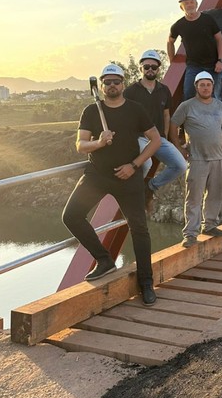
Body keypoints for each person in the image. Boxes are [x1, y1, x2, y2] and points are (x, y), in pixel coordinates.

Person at [62, 64, 162, 306]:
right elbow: (80, 145)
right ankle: (104, 260)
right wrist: (98, 143)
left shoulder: (135, 110)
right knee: (71, 216)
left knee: (139, 228)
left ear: (123, 84)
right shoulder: (91, 111)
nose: (112, 86)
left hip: (128, 176)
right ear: (102, 86)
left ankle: (146, 283)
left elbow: (156, 140)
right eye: (107, 82)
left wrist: (135, 166)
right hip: (97, 175)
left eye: (116, 81)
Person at [170, 71, 222, 248]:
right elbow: (173, 125)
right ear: (196, 87)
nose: (205, 88)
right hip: (197, 159)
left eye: (208, 84)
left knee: (215, 195)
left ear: (212, 86)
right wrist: (178, 148)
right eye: (202, 85)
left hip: (218, 158)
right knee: (194, 198)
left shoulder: (220, 106)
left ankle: (210, 225)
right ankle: (190, 233)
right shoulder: (187, 106)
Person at [123, 49, 187, 211]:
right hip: (140, 138)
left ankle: (150, 187)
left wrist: (163, 135)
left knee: (180, 165)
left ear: (159, 69)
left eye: (153, 66)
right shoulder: (130, 92)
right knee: (147, 164)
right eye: (146, 67)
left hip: (158, 138)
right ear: (141, 69)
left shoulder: (164, 90)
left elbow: (166, 115)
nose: (150, 69)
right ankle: (135, 195)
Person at [168, 0, 222, 100]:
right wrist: (171, 60)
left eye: (192, 2)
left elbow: (220, 40)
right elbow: (170, 41)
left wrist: (220, 60)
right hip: (193, 66)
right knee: (188, 94)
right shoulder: (179, 25)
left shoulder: (208, 20)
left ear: (196, 3)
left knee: (213, 97)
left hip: (213, 66)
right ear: (181, 7)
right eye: (186, 3)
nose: (189, 5)